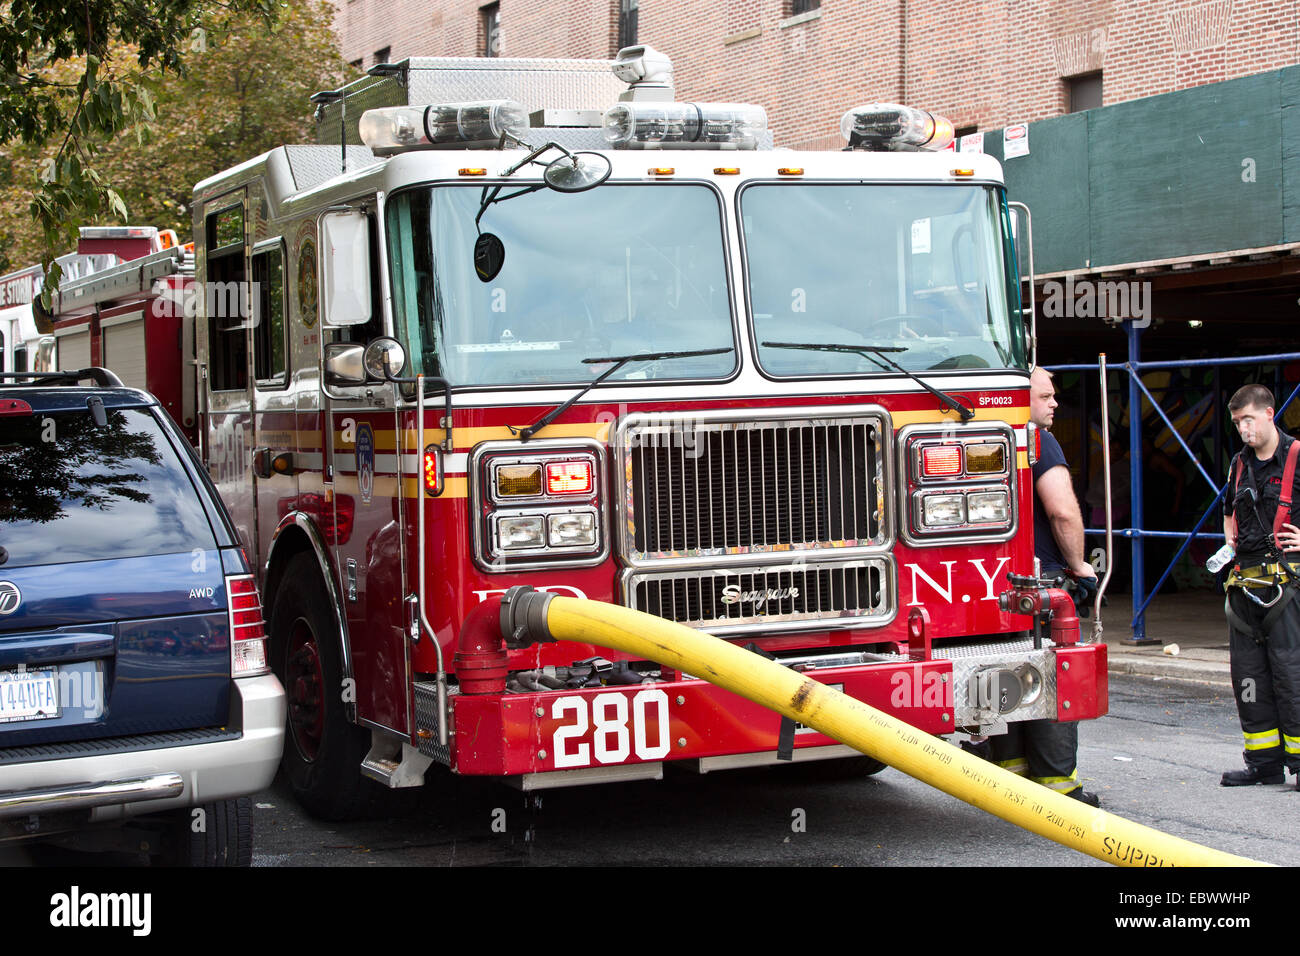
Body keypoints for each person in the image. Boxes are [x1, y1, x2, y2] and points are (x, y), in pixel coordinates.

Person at [988, 366, 1101, 806]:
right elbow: (1062, 512)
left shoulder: (986, 435)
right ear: (1022, 397)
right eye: (1046, 396)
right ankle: (1059, 788)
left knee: (1005, 678)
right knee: (1051, 679)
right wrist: (1081, 568)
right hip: (1044, 582)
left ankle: (1009, 780)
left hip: (996, 586)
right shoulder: (1040, 442)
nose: (1054, 404)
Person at [1219, 384, 1300, 789]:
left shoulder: (1297, 458)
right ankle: (1263, 763)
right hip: (1245, 584)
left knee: (1292, 673)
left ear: (1269, 414)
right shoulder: (1238, 464)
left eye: (1248, 419)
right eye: (1237, 422)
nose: (1243, 429)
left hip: (1288, 586)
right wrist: (1229, 538)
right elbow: (1228, 512)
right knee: (1248, 677)